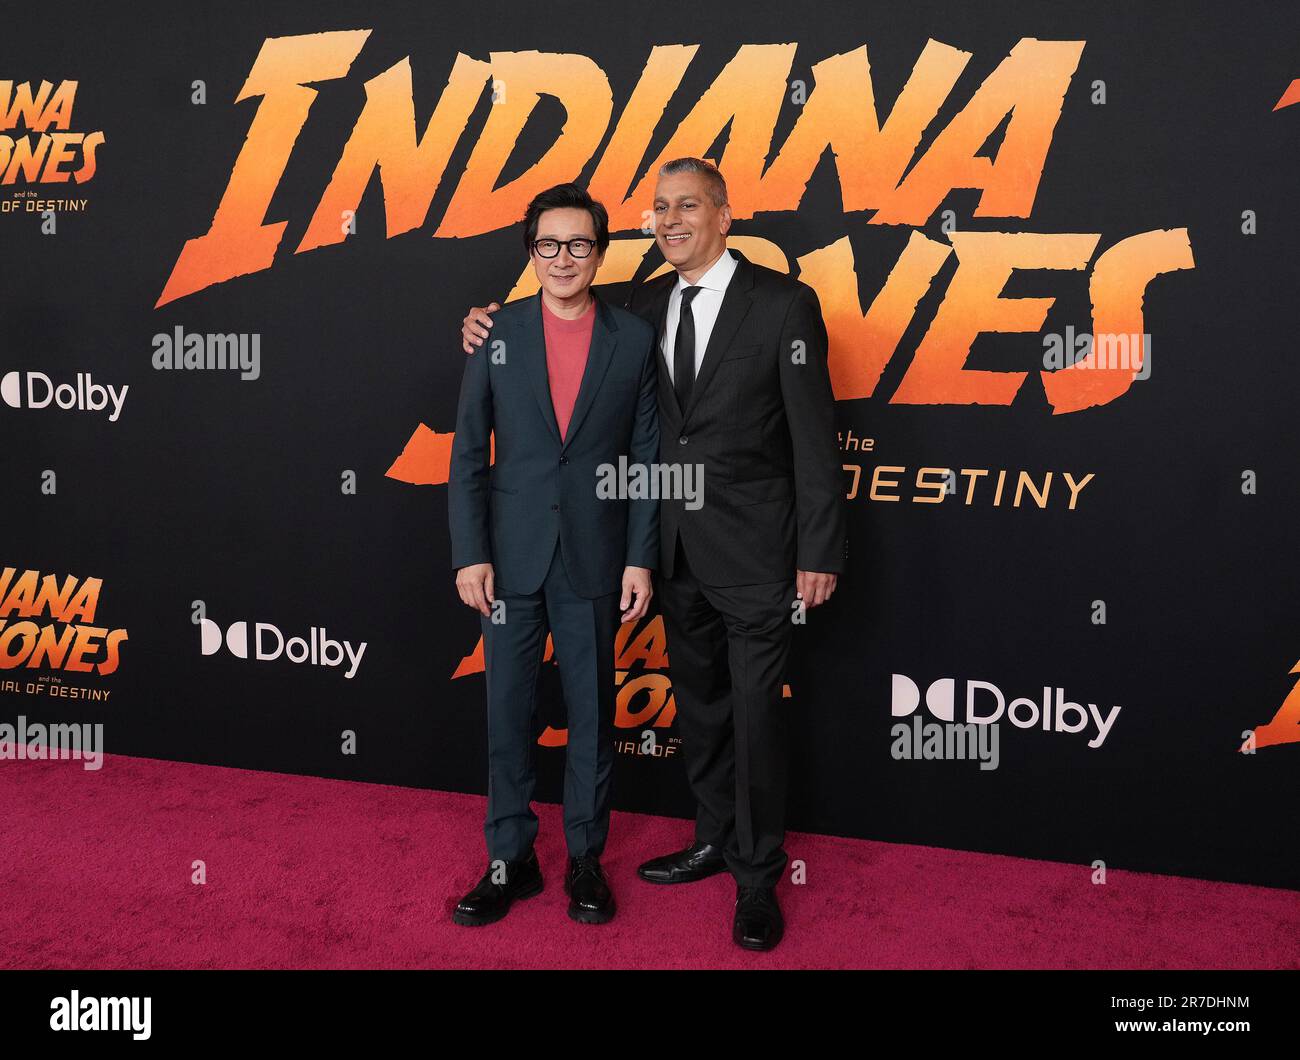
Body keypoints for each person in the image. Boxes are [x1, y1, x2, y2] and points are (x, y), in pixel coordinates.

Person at [460, 158, 847, 951]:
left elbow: (815, 439)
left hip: (754, 550)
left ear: (725, 214)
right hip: (672, 553)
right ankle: (708, 838)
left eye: (689, 206)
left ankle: (756, 875)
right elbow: (552, 331)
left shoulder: (783, 304)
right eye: (660, 208)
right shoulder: (637, 308)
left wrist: (820, 549)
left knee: (754, 719)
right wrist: (483, 324)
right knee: (700, 710)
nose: (671, 220)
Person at [447, 182, 659, 927]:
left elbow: (646, 458)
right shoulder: (494, 333)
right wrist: (469, 553)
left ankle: (586, 860)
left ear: (599, 253)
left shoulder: (633, 340)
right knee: (507, 713)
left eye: (578, 244)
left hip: (596, 558)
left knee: (593, 716)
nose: (562, 258)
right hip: (508, 559)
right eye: (547, 244)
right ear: (530, 252)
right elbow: (469, 452)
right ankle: (511, 858)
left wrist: (639, 557)